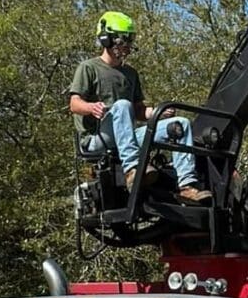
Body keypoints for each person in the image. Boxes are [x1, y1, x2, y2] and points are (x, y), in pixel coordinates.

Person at [68, 12, 211, 203]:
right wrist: (91, 107)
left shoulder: (130, 74)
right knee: (121, 105)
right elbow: (74, 103)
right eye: (122, 39)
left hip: (126, 137)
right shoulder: (89, 67)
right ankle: (133, 170)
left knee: (180, 124)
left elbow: (138, 111)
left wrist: (156, 113)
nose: (126, 45)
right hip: (98, 138)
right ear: (106, 39)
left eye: (129, 40)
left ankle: (186, 186)